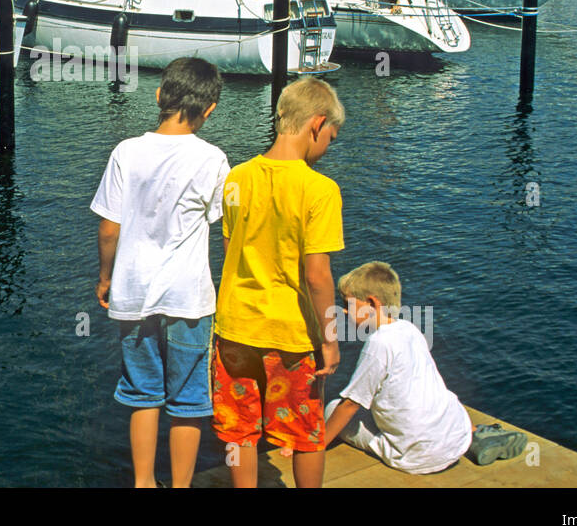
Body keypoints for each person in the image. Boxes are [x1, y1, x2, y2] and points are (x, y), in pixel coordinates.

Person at [91, 57, 230, 488]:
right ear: (209, 109)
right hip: (189, 297)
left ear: (158, 96)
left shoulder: (125, 152)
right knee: (189, 398)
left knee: (141, 392)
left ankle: (144, 483)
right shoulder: (213, 159)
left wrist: (104, 278)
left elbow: (109, 228)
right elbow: (227, 229)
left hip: (133, 294)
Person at [212, 78, 345, 488]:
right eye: (331, 138)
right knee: (305, 433)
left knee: (239, 429)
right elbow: (317, 274)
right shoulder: (320, 189)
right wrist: (329, 337)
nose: (327, 147)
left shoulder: (237, 177)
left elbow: (232, 248)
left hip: (235, 327)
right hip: (290, 335)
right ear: (316, 124)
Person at [323, 261, 528, 472]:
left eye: (348, 304)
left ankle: (464, 439)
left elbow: (350, 405)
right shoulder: (409, 328)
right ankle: (475, 435)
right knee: (437, 394)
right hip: (454, 439)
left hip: (417, 457)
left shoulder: (378, 343)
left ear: (372, 303)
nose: (345, 312)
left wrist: (316, 447)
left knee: (332, 408)